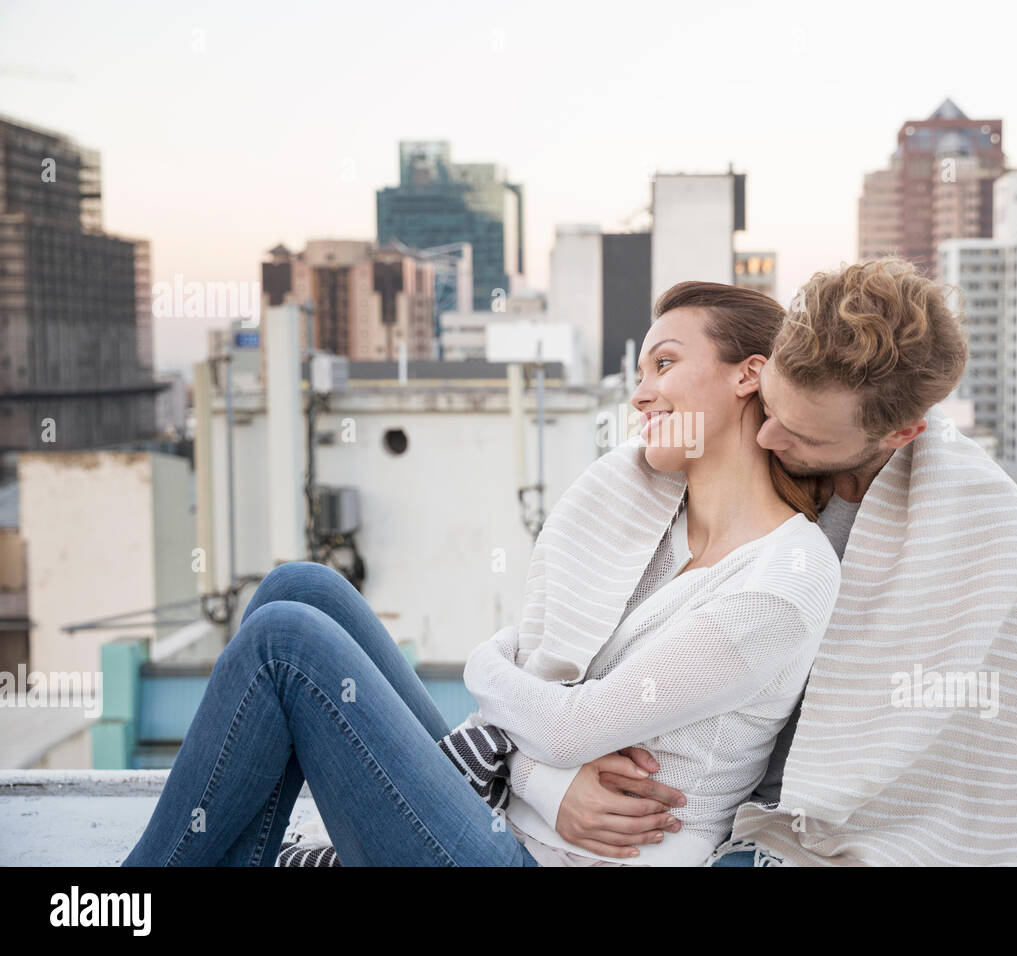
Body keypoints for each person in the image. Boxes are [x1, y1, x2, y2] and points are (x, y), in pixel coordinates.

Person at [120, 280, 841, 867]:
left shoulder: (786, 575)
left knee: (284, 642)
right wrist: (543, 783)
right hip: (514, 815)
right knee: (301, 588)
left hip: (560, 863)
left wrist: (484, 666)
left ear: (749, 375)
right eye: (640, 372)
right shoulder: (651, 513)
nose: (640, 395)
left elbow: (568, 726)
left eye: (665, 364)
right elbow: (551, 692)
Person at [542, 257, 1017, 867]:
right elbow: (572, 660)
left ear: (901, 434)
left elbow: (1015, 750)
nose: (767, 439)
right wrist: (550, 781)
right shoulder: (709, 458)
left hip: (767, 834)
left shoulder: (985, 531)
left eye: (802, 438)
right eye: (772, 407)